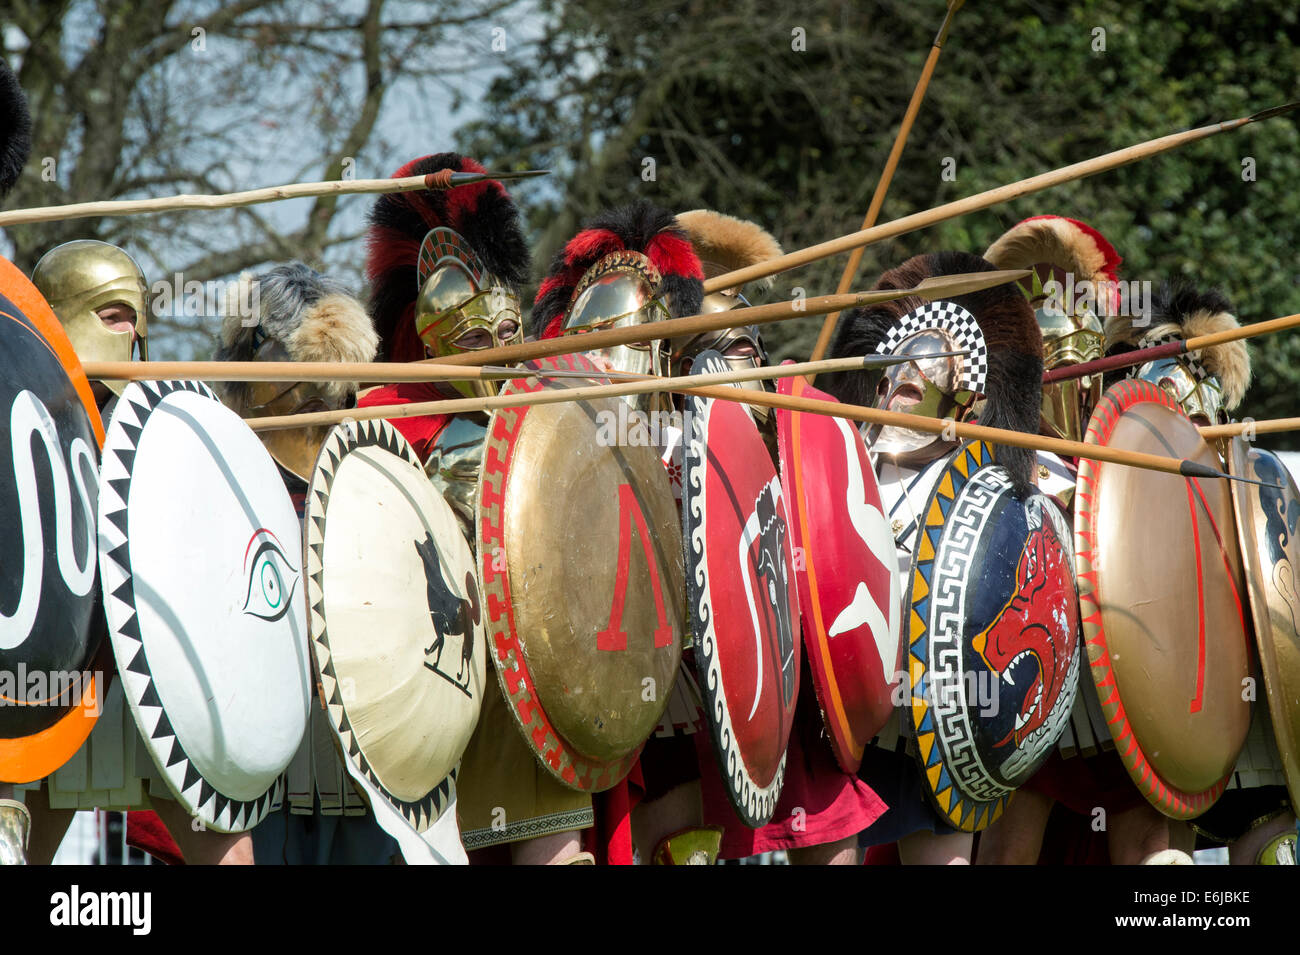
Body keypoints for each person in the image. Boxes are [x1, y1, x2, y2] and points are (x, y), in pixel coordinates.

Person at [359, 152, 597, 864]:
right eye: (468, 339)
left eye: (498, 334)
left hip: (536, 671)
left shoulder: (547, 416)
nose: (487, 343)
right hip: (440, 676)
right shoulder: (387, 421)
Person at [15, 240, 252, 864]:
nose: (135, 331)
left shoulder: (161, 428)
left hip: (155, 675)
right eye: (115, 314)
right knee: (23, 846)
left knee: (229, 851)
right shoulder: (24, 420)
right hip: (55, 679)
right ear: (63, 314)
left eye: (140, 315)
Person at [665, 208, 886, 865]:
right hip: (699, 707)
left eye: (751, 351)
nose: (749, 366)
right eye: (730, 351)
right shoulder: (665, 446)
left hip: (799, 698)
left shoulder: (800, 436)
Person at [975, 215, 1193, 865]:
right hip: (1032, 678)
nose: (1067, 382)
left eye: (1081, 365)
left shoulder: (1135, 456)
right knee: (1013, 845)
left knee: (1149, 846)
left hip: (1122, 675)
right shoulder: (995, 449)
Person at [823, 250, 1043, 864]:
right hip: (840, 713)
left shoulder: (982, 495)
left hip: (936, 721)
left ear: (961, 409)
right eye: (891, 379)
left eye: (917, 386)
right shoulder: (842, 461)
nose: (896, 396)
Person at [212, 261, 405, 864]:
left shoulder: (372, 471)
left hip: (358, 744)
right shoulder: (216, 468)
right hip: (256, 748)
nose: (326, 398)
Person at [1107, 281, 1293, 865]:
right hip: (1169, 704)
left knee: (1271, 849)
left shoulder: (1252, 483)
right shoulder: (1127, 504)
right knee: (1159, 860)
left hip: (1258, 707)